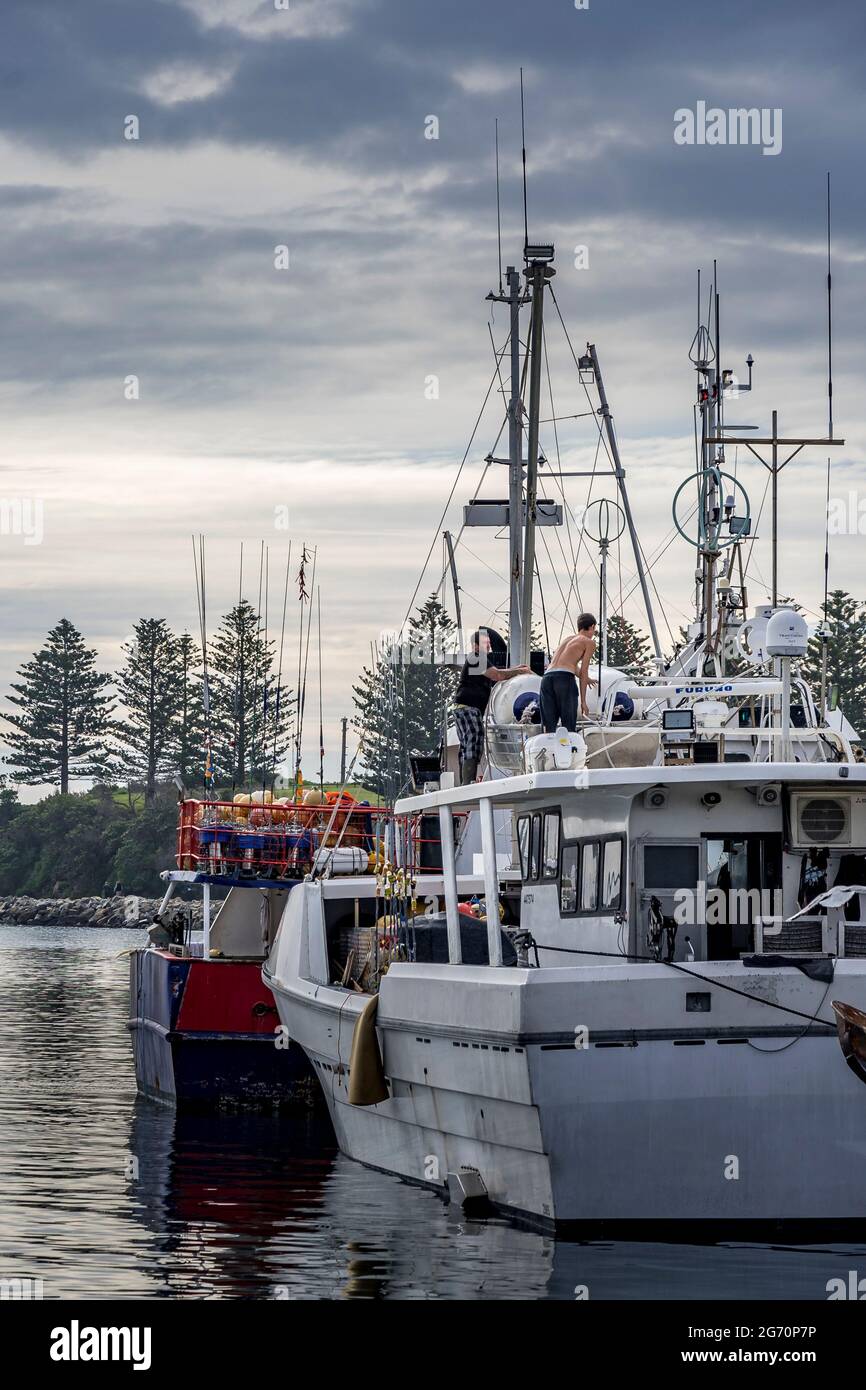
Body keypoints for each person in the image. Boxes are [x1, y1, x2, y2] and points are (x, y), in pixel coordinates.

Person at [453, 628, 530, 784]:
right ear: (475, 646)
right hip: (468, 707)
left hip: (465, 708)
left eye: (488, 644)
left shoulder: (479, 660)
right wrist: (519, 671)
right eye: (484, 644)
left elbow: (497, 673)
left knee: (469, 742)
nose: (488, 646)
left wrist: (516, 670)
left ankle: (466, 780)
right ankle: (467, 781)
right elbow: (497, 675)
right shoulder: (476, 658)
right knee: (473, 739)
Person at [539, 613, 598, 732]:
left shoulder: (567, 639)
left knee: (549, 725)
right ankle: (568, 748)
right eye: (594, 630)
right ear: (592, 626)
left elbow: (567, 664)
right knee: (568, 724)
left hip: (547, 678)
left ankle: (549, 748)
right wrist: (583, 702)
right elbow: (584, 671)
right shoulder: (589, 642)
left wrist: (588, 679)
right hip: (564, 680)